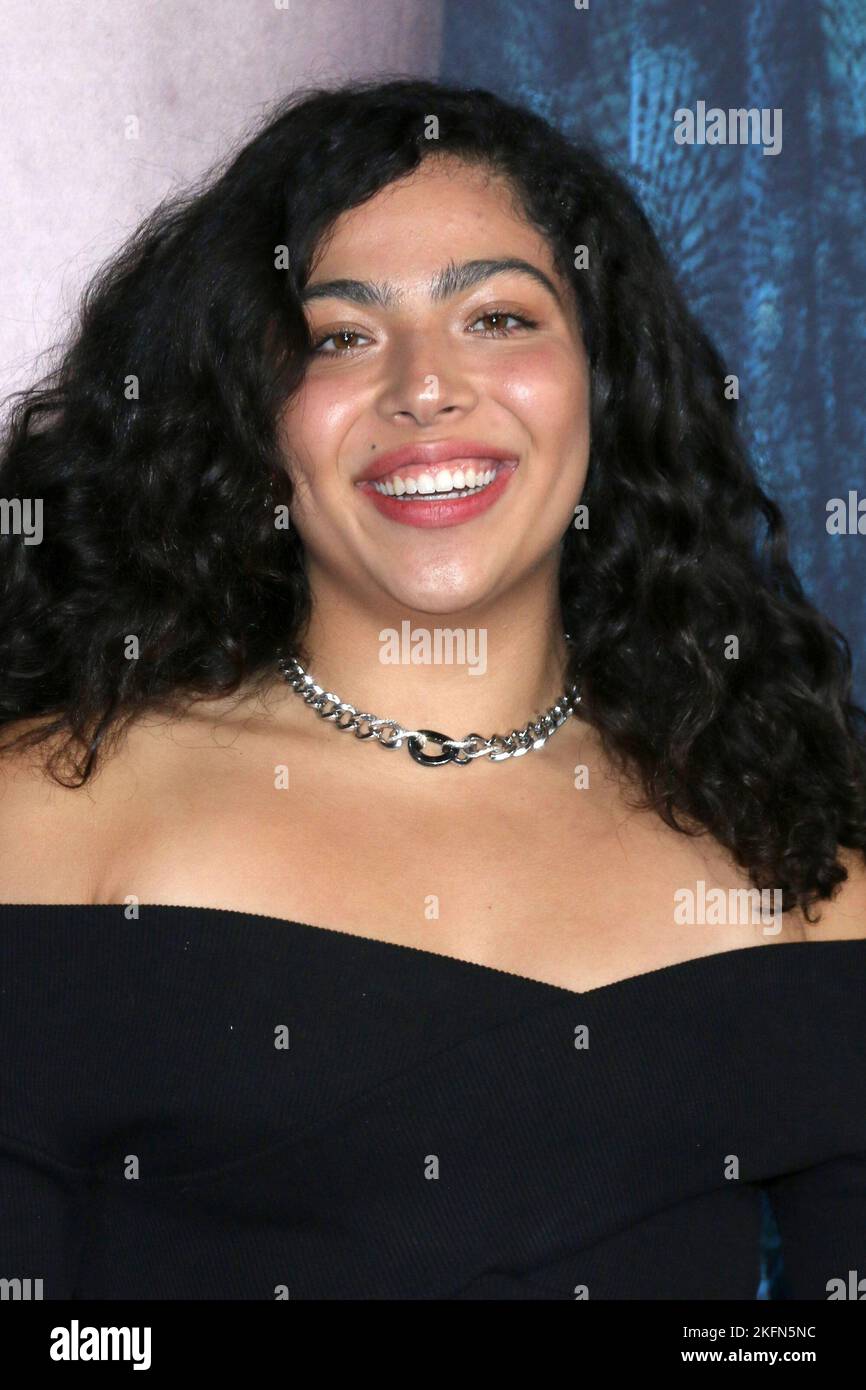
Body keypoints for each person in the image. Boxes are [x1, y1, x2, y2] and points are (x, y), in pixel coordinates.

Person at [0, 77, 863, 1301]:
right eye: (339, 336)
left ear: (604, 392)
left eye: (497, 318)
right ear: (254, 420)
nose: (423, 386)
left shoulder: (799, 880)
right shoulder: (45, 823)